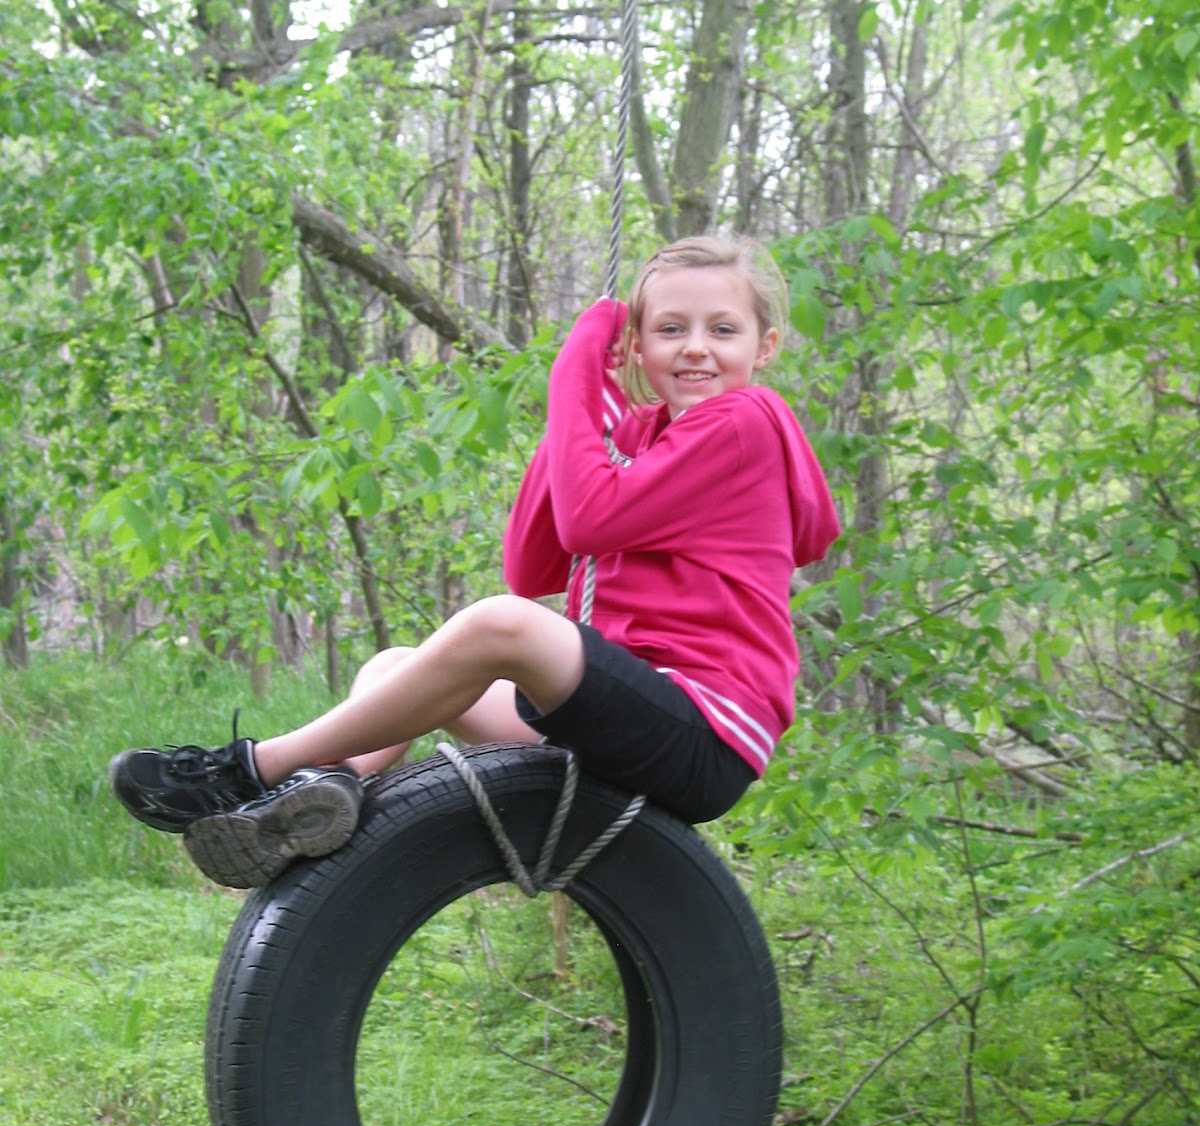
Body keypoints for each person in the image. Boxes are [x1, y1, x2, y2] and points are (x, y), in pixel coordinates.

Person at [110, 235, 840, 888]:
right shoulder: (648, 436)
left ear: (765, 346)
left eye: (723, 330)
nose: (695, 348)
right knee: (396, 668)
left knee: (501, 626)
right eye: (671, 329)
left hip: (702, 729)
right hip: (630, 714)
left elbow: (583, 526)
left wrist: (571, 376)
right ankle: (322, 790)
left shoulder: (746, 422)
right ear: (637, 347)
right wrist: (582, 410)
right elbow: (534, 564)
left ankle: (249, 769)